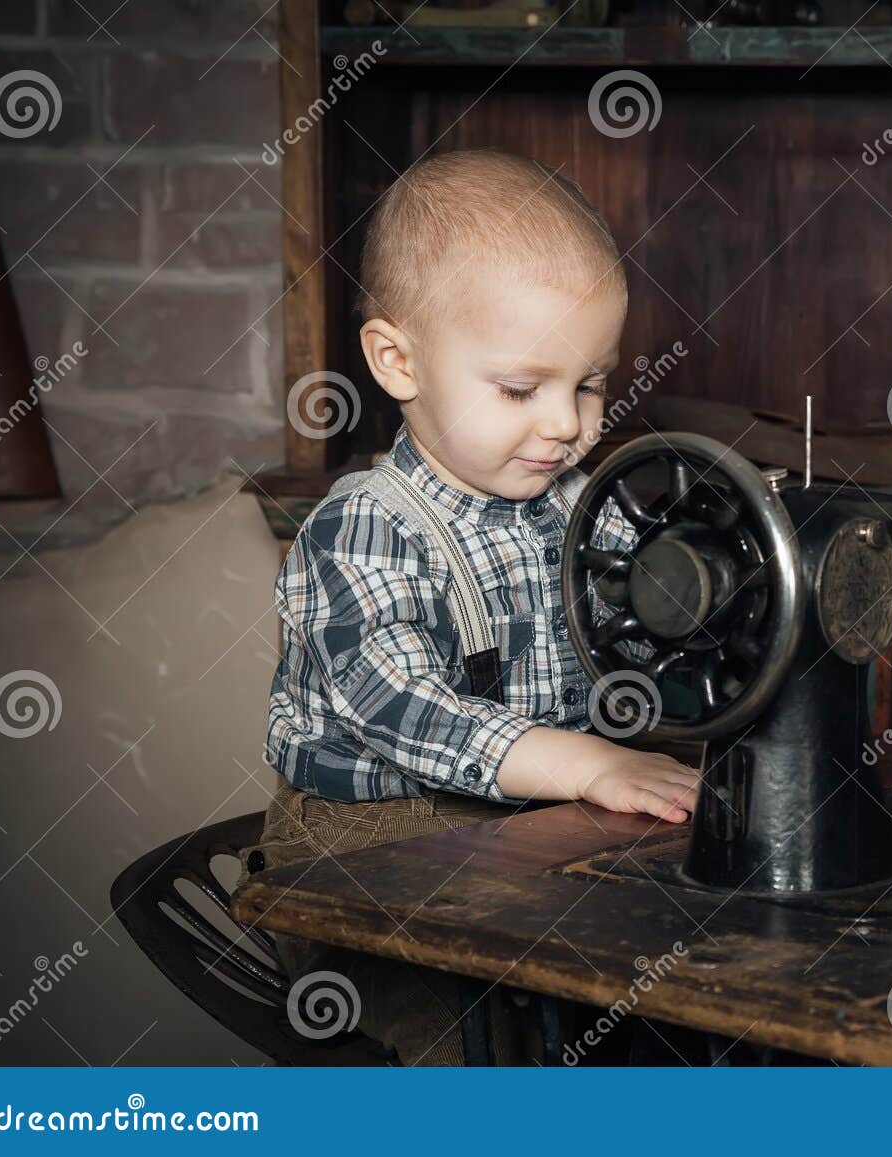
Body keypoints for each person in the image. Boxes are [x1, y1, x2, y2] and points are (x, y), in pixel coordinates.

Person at [243, 148, 699, 1065]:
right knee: (478, 1045)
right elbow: (406, 711)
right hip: (364, 853)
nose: (569, 423)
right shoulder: (364, 530)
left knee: (660, 1002)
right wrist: (585, 761)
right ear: (397, 360)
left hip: (520, 828)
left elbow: (640, 630)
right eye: (524, 389)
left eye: (591, 383)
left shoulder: (578, 502)